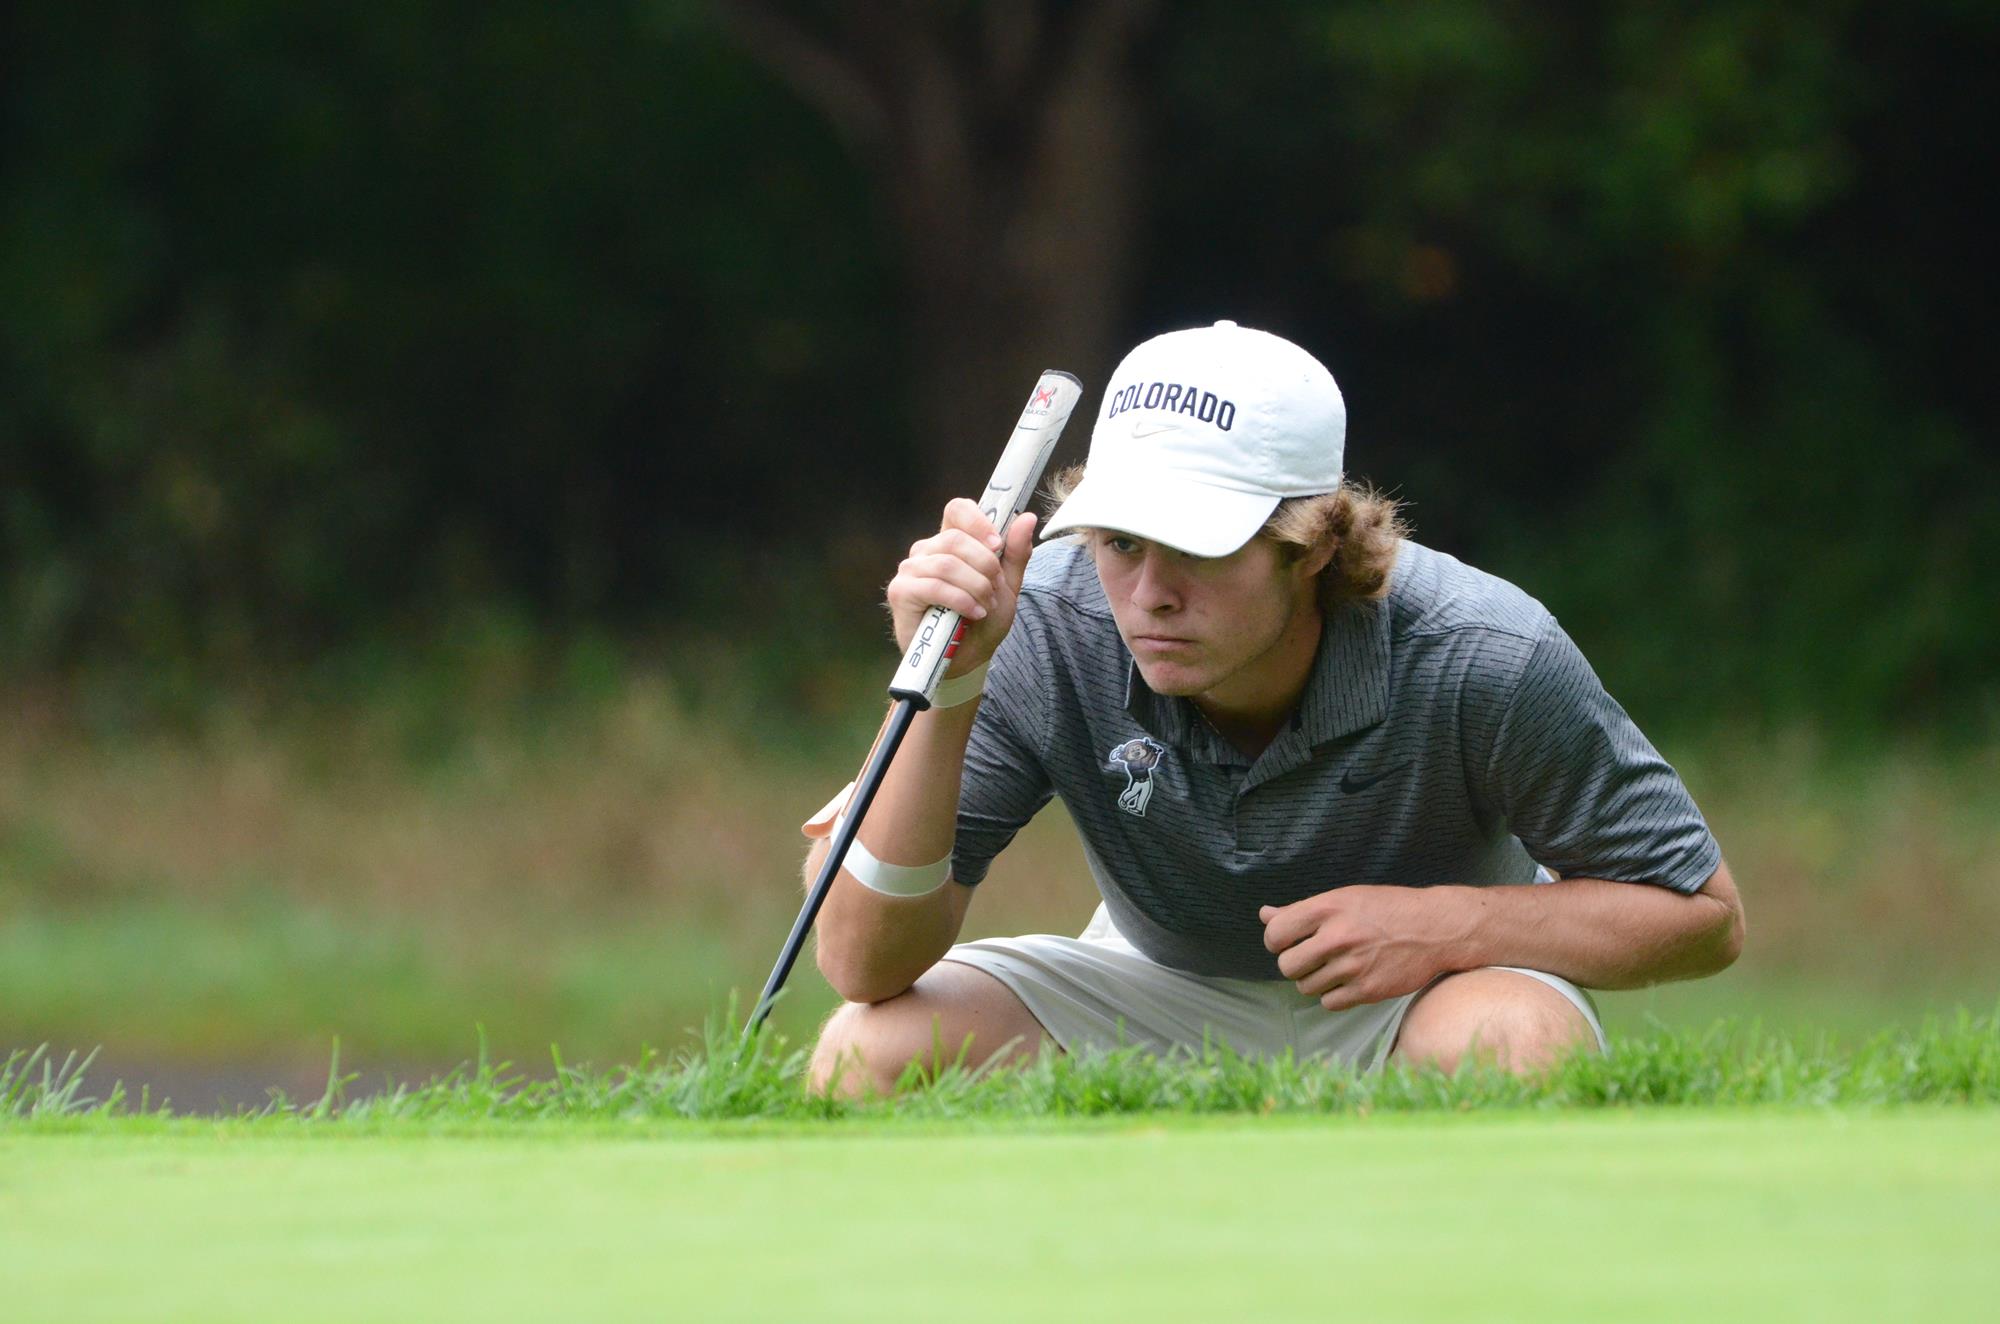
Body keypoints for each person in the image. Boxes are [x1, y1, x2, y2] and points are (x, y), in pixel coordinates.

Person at [801, 321, 1743, 1097]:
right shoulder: (1038, 619)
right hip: (1148, 983)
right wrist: (950, 684)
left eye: (1199, 548)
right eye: (1122, 542)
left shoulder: (1486, 649)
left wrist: (1448, 925)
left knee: (1517, 1047)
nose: (1150, 595)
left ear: (1315, 543)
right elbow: (859, 964)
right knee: (867, 1052)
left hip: (1430, 993)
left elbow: (1702, 914)